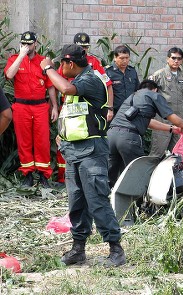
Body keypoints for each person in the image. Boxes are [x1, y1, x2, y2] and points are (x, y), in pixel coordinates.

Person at [40, 44, 125, 267]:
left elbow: (66, 90)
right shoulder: (78, 81)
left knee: (97, 200)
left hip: (91, 152)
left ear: (70, 64)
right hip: (74, 151)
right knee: (76, 202)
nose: (59, 67)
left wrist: (48, 69)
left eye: (60, 64)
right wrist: (62, 136)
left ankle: (116, 249)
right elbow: (75, 114)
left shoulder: (89, 80)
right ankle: (78, 249)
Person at [54, 32, 115, 184]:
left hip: (89, 130)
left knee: (93, 192)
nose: (84, 51)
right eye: (80, 47)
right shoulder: (67, 65)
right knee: (76, 189)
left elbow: (108, 85)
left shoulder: (93, 64)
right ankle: (62, 178)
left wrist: (110, 108)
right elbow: (58, 85)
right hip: (72, 117)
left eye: (85, 47)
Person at [107, 79, 183, 188]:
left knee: (110, 174)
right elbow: (172, 117)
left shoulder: (132, 97)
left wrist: (171, 128)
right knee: (138, 173)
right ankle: (136, 202)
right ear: (155, 89)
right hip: (129, 138)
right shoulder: (153, 95)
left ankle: (107, 201)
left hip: (111, 135)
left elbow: (148, 122)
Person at [4, 31, 58, 188]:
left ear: (36, 44)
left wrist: (54, 106)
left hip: (40, 106)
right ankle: (27, 174)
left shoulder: (43, 61)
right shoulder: (14, 59)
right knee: (24, 141)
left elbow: (50, 86)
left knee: (42, 142)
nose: (27, 46)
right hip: (21, 106)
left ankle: (43, 175)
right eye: (24, 44)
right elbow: (9, 74)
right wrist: (21, 55)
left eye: (29, 44)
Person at [148, 47, 183, 159]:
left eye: (179, 58)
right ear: (168, 59)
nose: (176, 61)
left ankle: (174, 175)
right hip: (163, 120)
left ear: (182, 60)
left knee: (177, 153)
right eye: (173, 58)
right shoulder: (158, 75)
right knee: (157, 151)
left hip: (179, 119)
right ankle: (151, 174)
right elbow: (148, 94)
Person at [105, 45, 139, 116]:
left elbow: (137, 90)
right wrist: (110, 109)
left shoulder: (132, 71)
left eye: (127, 58)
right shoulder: (108, 72)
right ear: (115, 58)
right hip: (114, 112)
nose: (125, 61)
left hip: (130, 111)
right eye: (122, 58)